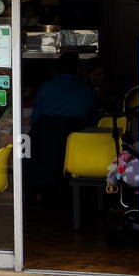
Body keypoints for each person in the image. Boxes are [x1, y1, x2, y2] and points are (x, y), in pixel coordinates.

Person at [26, 55, 98, 203]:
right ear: (78, 69)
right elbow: (94, 120)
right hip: (78, 151)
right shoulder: (86, 91)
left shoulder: (46, 87)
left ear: (57, 69)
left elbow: (34, 119)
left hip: (46, 147)